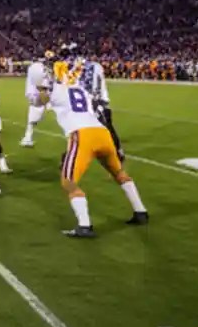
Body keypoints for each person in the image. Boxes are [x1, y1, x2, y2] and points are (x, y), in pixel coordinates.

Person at [34, 67, 148, 238]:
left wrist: (40, 88)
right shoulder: (81, 90)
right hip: (102, 133)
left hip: (82, 135)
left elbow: (40, 100)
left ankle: (84, 225)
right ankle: (141, 212)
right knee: (119, 173)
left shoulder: (56, 89)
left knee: (68, 182)